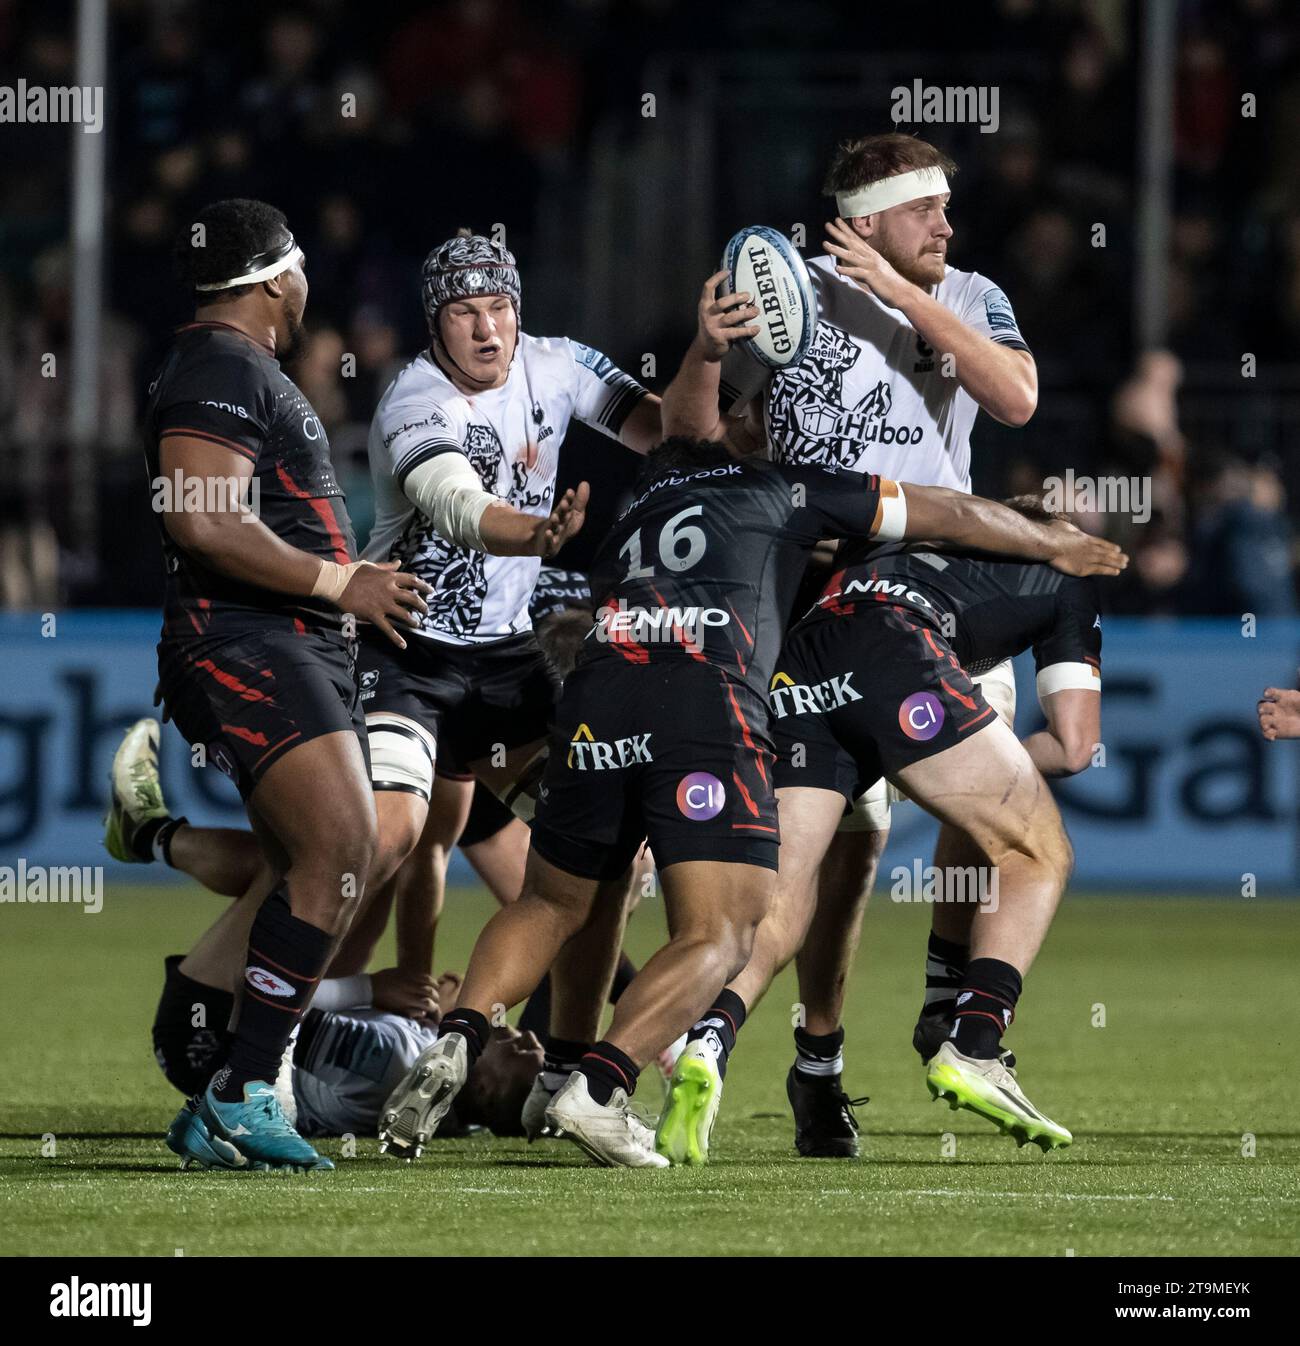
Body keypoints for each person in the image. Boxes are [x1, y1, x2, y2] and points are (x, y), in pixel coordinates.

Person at [378, 425, 1125, 1167]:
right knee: (725, 929)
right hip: (711, 697)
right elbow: (946, 514)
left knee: (556, 904)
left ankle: (464, 1034)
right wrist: (1053, 549)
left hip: (617, 688)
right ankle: (604, 1087)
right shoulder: (776, 486)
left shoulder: (627, 529)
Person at [661, 132, 1047, 1155]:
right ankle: (818, 1060)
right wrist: (704, 350)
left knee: (963, 826)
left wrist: (901, 291)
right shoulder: (783, 293)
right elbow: (697, 441)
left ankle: (931, 998)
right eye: (927, 210)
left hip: (941, 592)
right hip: (817, 602)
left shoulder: (964, 293)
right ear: (866, 217)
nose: (947, 226)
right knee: (851, 852)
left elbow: (1014, 397)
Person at [660, 531, 1110, 1163]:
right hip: (894, 653)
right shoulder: (1069, 580)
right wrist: (944, 768)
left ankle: (708, 1039)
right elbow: (1072, 747)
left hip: (804, 655)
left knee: (781, 899)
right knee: (1037, 852)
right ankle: (975, 1042)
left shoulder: (923, 543)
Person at [144, 198, 430, 1173]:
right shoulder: (223, 365)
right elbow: (202, 518)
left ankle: (221, 1089)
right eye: (303, 269)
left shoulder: (238, 369)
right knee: (344, 844)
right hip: (249, 640)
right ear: (278, 279)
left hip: (280, 642)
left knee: (314, 863)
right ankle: (242, 1087)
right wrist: (334, 580)